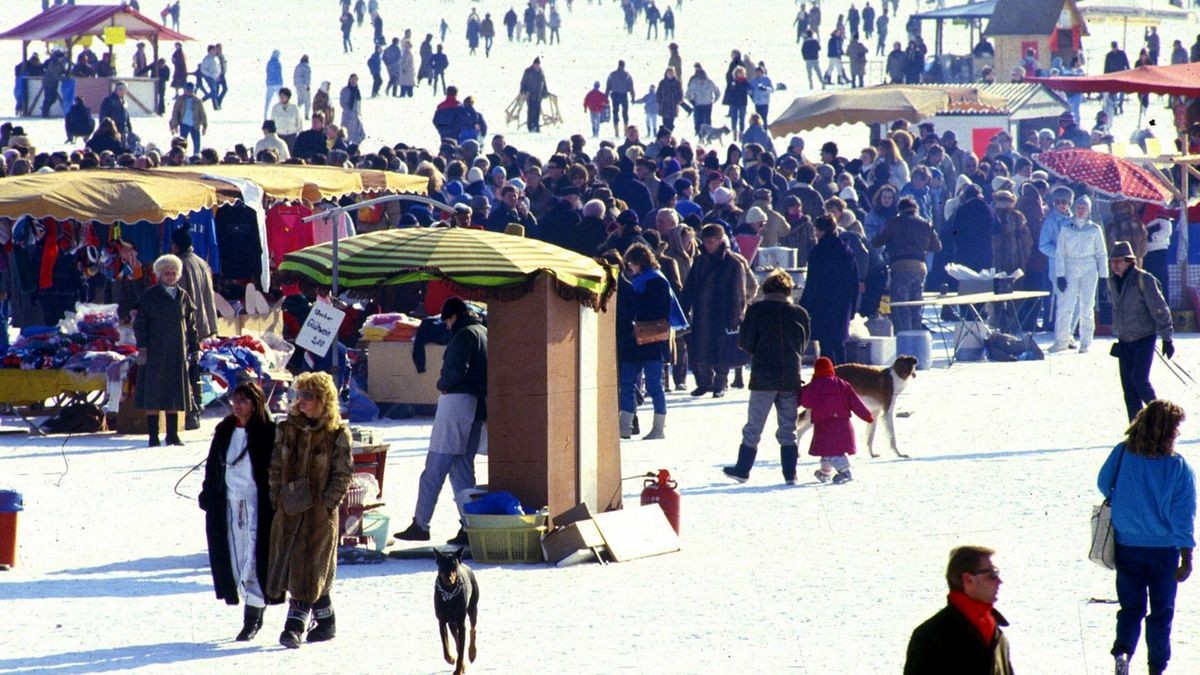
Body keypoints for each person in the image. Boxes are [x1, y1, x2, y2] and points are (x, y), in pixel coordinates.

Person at [1098, 400, 1195, 675]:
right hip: (1164, 550)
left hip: (1126, 545)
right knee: (1161, 612)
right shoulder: (1177, 466)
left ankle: (1124, 652)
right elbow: (1183, 513)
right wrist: (1187, 556)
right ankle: (1156, 668)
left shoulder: (1121, 453)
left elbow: (1104, 483)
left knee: (1131, 607)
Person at [267, 371, 353, 649]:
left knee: (310, 566)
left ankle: (294, 626)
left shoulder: (337, 434)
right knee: (299, 565)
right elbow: (275, 468)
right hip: (290, 512)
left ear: (323, 400)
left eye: (308, 396)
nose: (301, 401)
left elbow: (343, 474)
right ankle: (326, 621)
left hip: (319, 515)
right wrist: (278, 497)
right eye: (298, 395)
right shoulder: (286, 428)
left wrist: (327, 503)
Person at [396, 298, 488, 545]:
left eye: (447, 320)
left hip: (457, 406)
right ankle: (470, 527)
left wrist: (442, 385)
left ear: (454, 316)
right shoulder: (483, 332)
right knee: (462, 471)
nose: (446, 326)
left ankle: (420, 524)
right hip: (478, 410)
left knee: (434, 468)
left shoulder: (464, 334)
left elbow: (454, 371)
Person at [199, 380, 278, 642]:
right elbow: (213, 467)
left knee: (253, 560)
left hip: (257, 506)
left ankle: (252, 616)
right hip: (228, 506)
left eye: (243, 401)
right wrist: (209, 494)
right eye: (235, 400)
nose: (237, 405)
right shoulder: (224, 430)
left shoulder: (267, 432)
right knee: (233, 560)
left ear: (255, 405)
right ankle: (248, 605)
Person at [723, 269, 810, 484]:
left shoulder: (756, 311)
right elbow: (803, 343)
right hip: (790, 375)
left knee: (754, 426)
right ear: (789, 290)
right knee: (788, 429)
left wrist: (758, 350)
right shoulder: (799, 313)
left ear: (765, 289)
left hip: (763, 375)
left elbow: (745, 342)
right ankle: (790, 474)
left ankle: (743, 469)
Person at [904, 545, 1014, 673]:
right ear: (968, 579)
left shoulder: (998, 635)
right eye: (993, 574)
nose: (999, 581)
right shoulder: (930, 636)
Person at [616, 243, 681, 440]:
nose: (629, 268)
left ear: (640, 262)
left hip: (651, 339)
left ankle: (658, 428)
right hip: (635, 341)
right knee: (627, 382)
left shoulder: (657, 281)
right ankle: (624, 427)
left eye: (631, 264)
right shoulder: (637, 281)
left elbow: (660, 310)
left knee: (654, 385)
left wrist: (636, 304)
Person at [133, 254, 198, 447]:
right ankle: (153, 436)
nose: (170, 276)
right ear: (159, 274)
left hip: (177, 351)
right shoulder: (149, 296)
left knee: (174, 391)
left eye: (173, 273)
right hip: (154, 351)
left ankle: (172, 435)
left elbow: (191, 325)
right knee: (153, 392)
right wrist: (143, 346)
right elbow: (140, 324)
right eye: (166, 273)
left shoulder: (183, 296)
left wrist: (195, 346)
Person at [681, 223, 752, 398]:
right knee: (701, 348)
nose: (708, 245)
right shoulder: (699, 261)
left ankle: (720, 383)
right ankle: (705, 382)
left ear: (720, 241)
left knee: (722, 350)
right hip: (703, 311)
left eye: (711, 242)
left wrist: (736, 317)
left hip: (723, 312)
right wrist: (683, 308)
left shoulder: (733, 263)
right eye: (705, 241)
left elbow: (738, 293)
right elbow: (689, 287)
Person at [1108, 241, 1174, 422]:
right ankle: (1136, 428)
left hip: (1144, 338)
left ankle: (1162, 418)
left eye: (1119, 261)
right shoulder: (1112, 281)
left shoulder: (1144, 279)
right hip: (1124, 340)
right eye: (1112, 261)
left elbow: (1160, 309)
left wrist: (1167, 338)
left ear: (1130, 261)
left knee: (1139, 379)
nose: (1115, 265)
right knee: (1128, 389)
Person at [872, 196, 941, 332]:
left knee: (900, 305)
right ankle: (915, 337)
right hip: (921, 267)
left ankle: (904, 339)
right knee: (916, 305)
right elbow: (937, 246)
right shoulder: (926, 223)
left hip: (900, 266)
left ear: (900, 210)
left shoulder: (894, 222)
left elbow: (877, 242)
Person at [800, 356, 872, 484]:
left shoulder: (813, 386)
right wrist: (867, 416)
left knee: (832, 451)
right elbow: (856, 403)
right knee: (832, 449)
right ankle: (825, 472)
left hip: (823, 425)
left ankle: (845, 472)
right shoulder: (842, 384)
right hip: (842, 424)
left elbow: (804, 401)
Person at [1050, 195, 1107, 354]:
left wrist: (1104, 277)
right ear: (1074, 209)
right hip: (1070, 267)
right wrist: (1060, 275)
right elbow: (1060, 253)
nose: (1081, 211)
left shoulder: (1095, 229)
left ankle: (1085, 342)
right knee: (1065, 305)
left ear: (1089, 210)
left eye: (1084, 208)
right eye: (1079, 208)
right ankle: (1061, 340)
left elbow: (1102, 254)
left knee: (1087, 306)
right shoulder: (1066, 228)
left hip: (1089, 268)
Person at [800, 215, 859, 364]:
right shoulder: (847, 251)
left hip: (823, 304)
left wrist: (804, 305)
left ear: (823, 230)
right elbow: (854, 283)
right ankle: (843, 378)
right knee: (839, 344)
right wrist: (852, 309)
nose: (815, 233)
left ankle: (829, 380)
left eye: (816, 230)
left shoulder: (818, 252)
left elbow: (812, 282)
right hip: (843, 304)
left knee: (826, 345)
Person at [169, 82, 207, 157]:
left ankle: (196, 155)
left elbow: (202, 113)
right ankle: (182, 155)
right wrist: (174, 125)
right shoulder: (180, 99)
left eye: (190, 90)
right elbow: (175, 112)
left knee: (196, 142)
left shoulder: (197, 101)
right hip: (184, 124)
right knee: (182, 142)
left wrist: (204, 125)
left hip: (195, 125)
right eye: (187, 90)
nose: (189, 92)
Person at [520, 58, 548, 133]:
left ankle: (536, 125)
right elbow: (523, 82)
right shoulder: (528, 71)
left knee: (537, 111)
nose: (537, 66)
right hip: (530, 95)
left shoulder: (541, 72)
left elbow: (544, 82)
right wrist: (522, 91)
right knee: (531, 111)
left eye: (538, 64)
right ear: (533, 64)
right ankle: (530, 126)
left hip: (539, 95)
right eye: (536, 64)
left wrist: (545, 92)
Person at [655, 67, 683, 133]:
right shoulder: (662, 82)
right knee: (665, 122)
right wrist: (659, 100)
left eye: (671, 73)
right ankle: (665, 135)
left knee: (671, 122)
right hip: (664, 105)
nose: (670, 75)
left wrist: (678, 100)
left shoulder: (677, 82)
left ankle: (669, 133)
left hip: (672, 105)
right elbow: (658, 92)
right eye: (669, 73)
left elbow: (680, 93)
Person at [339, 74, 365, 145]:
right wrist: (349, 111)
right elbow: (342, 103)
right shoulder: (345, 90)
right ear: (349, 80)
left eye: (355, 79)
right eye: (352, 79)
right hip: (347, 116)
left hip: (356, 116)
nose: (354, 81)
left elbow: (359, 104)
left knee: (359, 135)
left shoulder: (357, 91)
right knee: (347, 136)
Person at [264, 50, 283, 119]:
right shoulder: (277, 63)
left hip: (269, 83)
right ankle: (281, 114)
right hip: (277, 83)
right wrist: (281, 82)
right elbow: (279, 74)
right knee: (281, 99)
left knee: (268, 100)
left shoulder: (269, 63)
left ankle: (265, 115)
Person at [293, 55, 312, 120]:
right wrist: (308, 85)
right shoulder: (307, 67)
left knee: (300, 100)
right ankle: (306, 115)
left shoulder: (297, 66)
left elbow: (294, 76)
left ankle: (294, 112)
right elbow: (307, 77)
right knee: (307, 101)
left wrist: (296, 84)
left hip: (297, 86)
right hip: (304, 85)